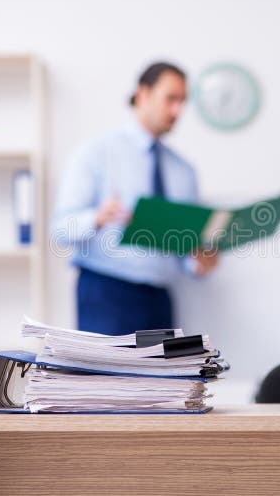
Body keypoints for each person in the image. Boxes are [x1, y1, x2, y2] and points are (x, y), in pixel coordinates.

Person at [52, 62, 219, 335]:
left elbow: (184, 247)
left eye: (182, 102)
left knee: (168, 367)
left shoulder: (184, 171)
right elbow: (60, 230)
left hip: (160, 300)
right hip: (105, 294)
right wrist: (97, 218)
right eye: (171, 99)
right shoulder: (96, 153)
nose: (177, 111)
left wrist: (198, 263)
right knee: (104, 367)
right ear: (143, 94)